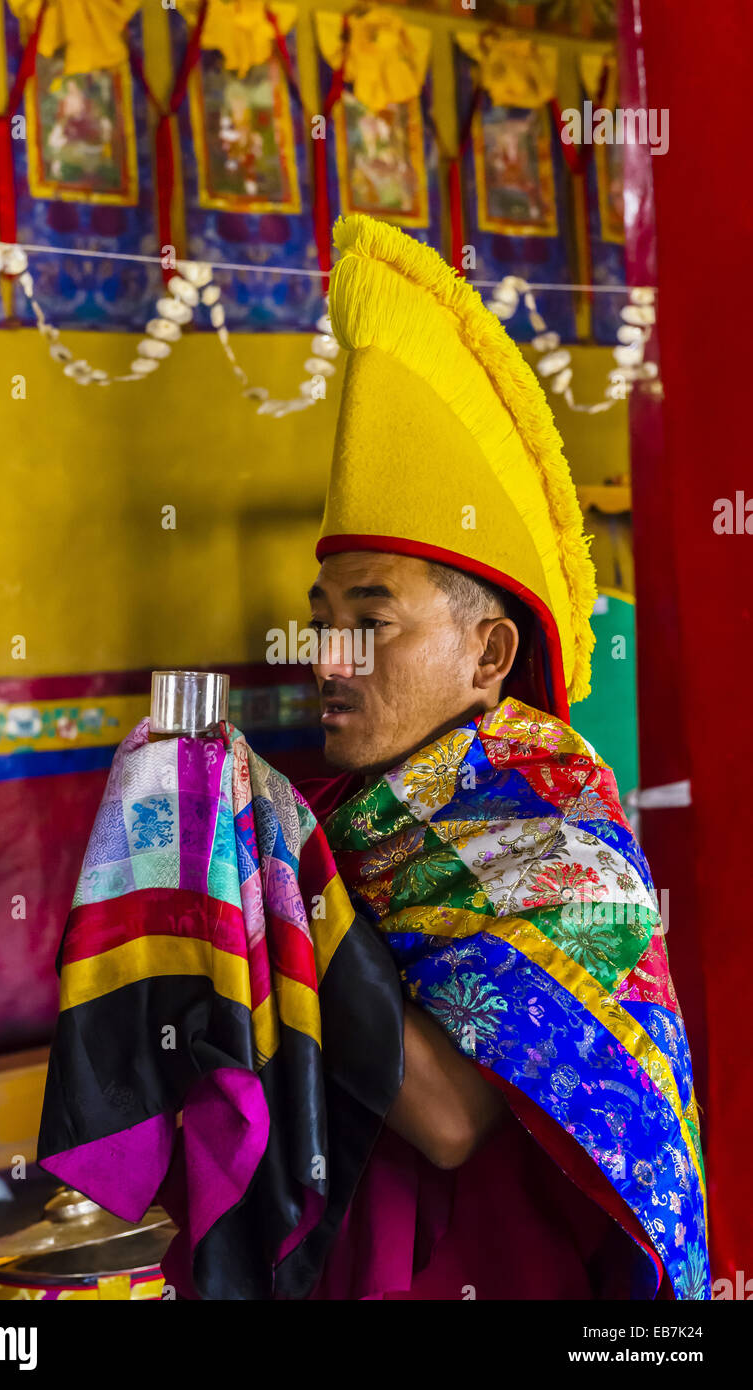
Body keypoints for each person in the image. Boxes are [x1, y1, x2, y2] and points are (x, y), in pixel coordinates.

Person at [295, 212, 709, 1300]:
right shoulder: (354, 813)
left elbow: (443, 1119)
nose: (327, 658)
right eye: (318, 618)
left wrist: (280, 871)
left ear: (490, 656)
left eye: (369, 622)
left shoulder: (567, 851)